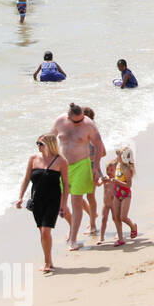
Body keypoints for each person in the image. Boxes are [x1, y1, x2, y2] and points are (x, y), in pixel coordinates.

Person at [50, 103, 106, 249]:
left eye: (82, 119)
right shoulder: (59, 121)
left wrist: (96, 166)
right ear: (68, 117)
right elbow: (49, 140)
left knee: (77, 201)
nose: (80, 123)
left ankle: (73, 239)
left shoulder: (88, 124)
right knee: (60, 201)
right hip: (62, 166)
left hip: (82, 165)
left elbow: (99, 146)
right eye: (77, 121)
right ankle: (71, 228)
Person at [15, 133, 70, 273]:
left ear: (49, 145)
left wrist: (63, 204)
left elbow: (65, 184)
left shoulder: (61, 161)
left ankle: (46, 262)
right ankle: (49, 260)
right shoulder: (33, 159)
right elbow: (27, 179)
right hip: (37, 200)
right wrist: (20, 197)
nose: (38, 146)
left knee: (46, 231)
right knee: (42, 231)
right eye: (37, 143)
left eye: (41, 143)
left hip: (53, 200)